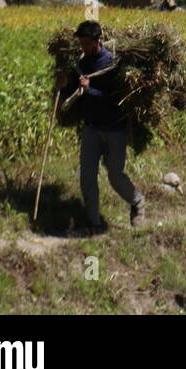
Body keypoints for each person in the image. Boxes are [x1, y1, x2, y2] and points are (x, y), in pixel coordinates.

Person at [59, 20, 145, 234]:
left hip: (114, 128)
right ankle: (94, 223)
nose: (84, 48)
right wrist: (63, 85)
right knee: (87, 176)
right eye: (81, 44)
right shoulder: (81, 63)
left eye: (87, 44)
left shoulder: (112, 64)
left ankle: (137, 201)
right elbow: (74, 89)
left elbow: (116, 100)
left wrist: (90, 91)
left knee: (115, 175)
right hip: (91, 128)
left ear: (98, 40)